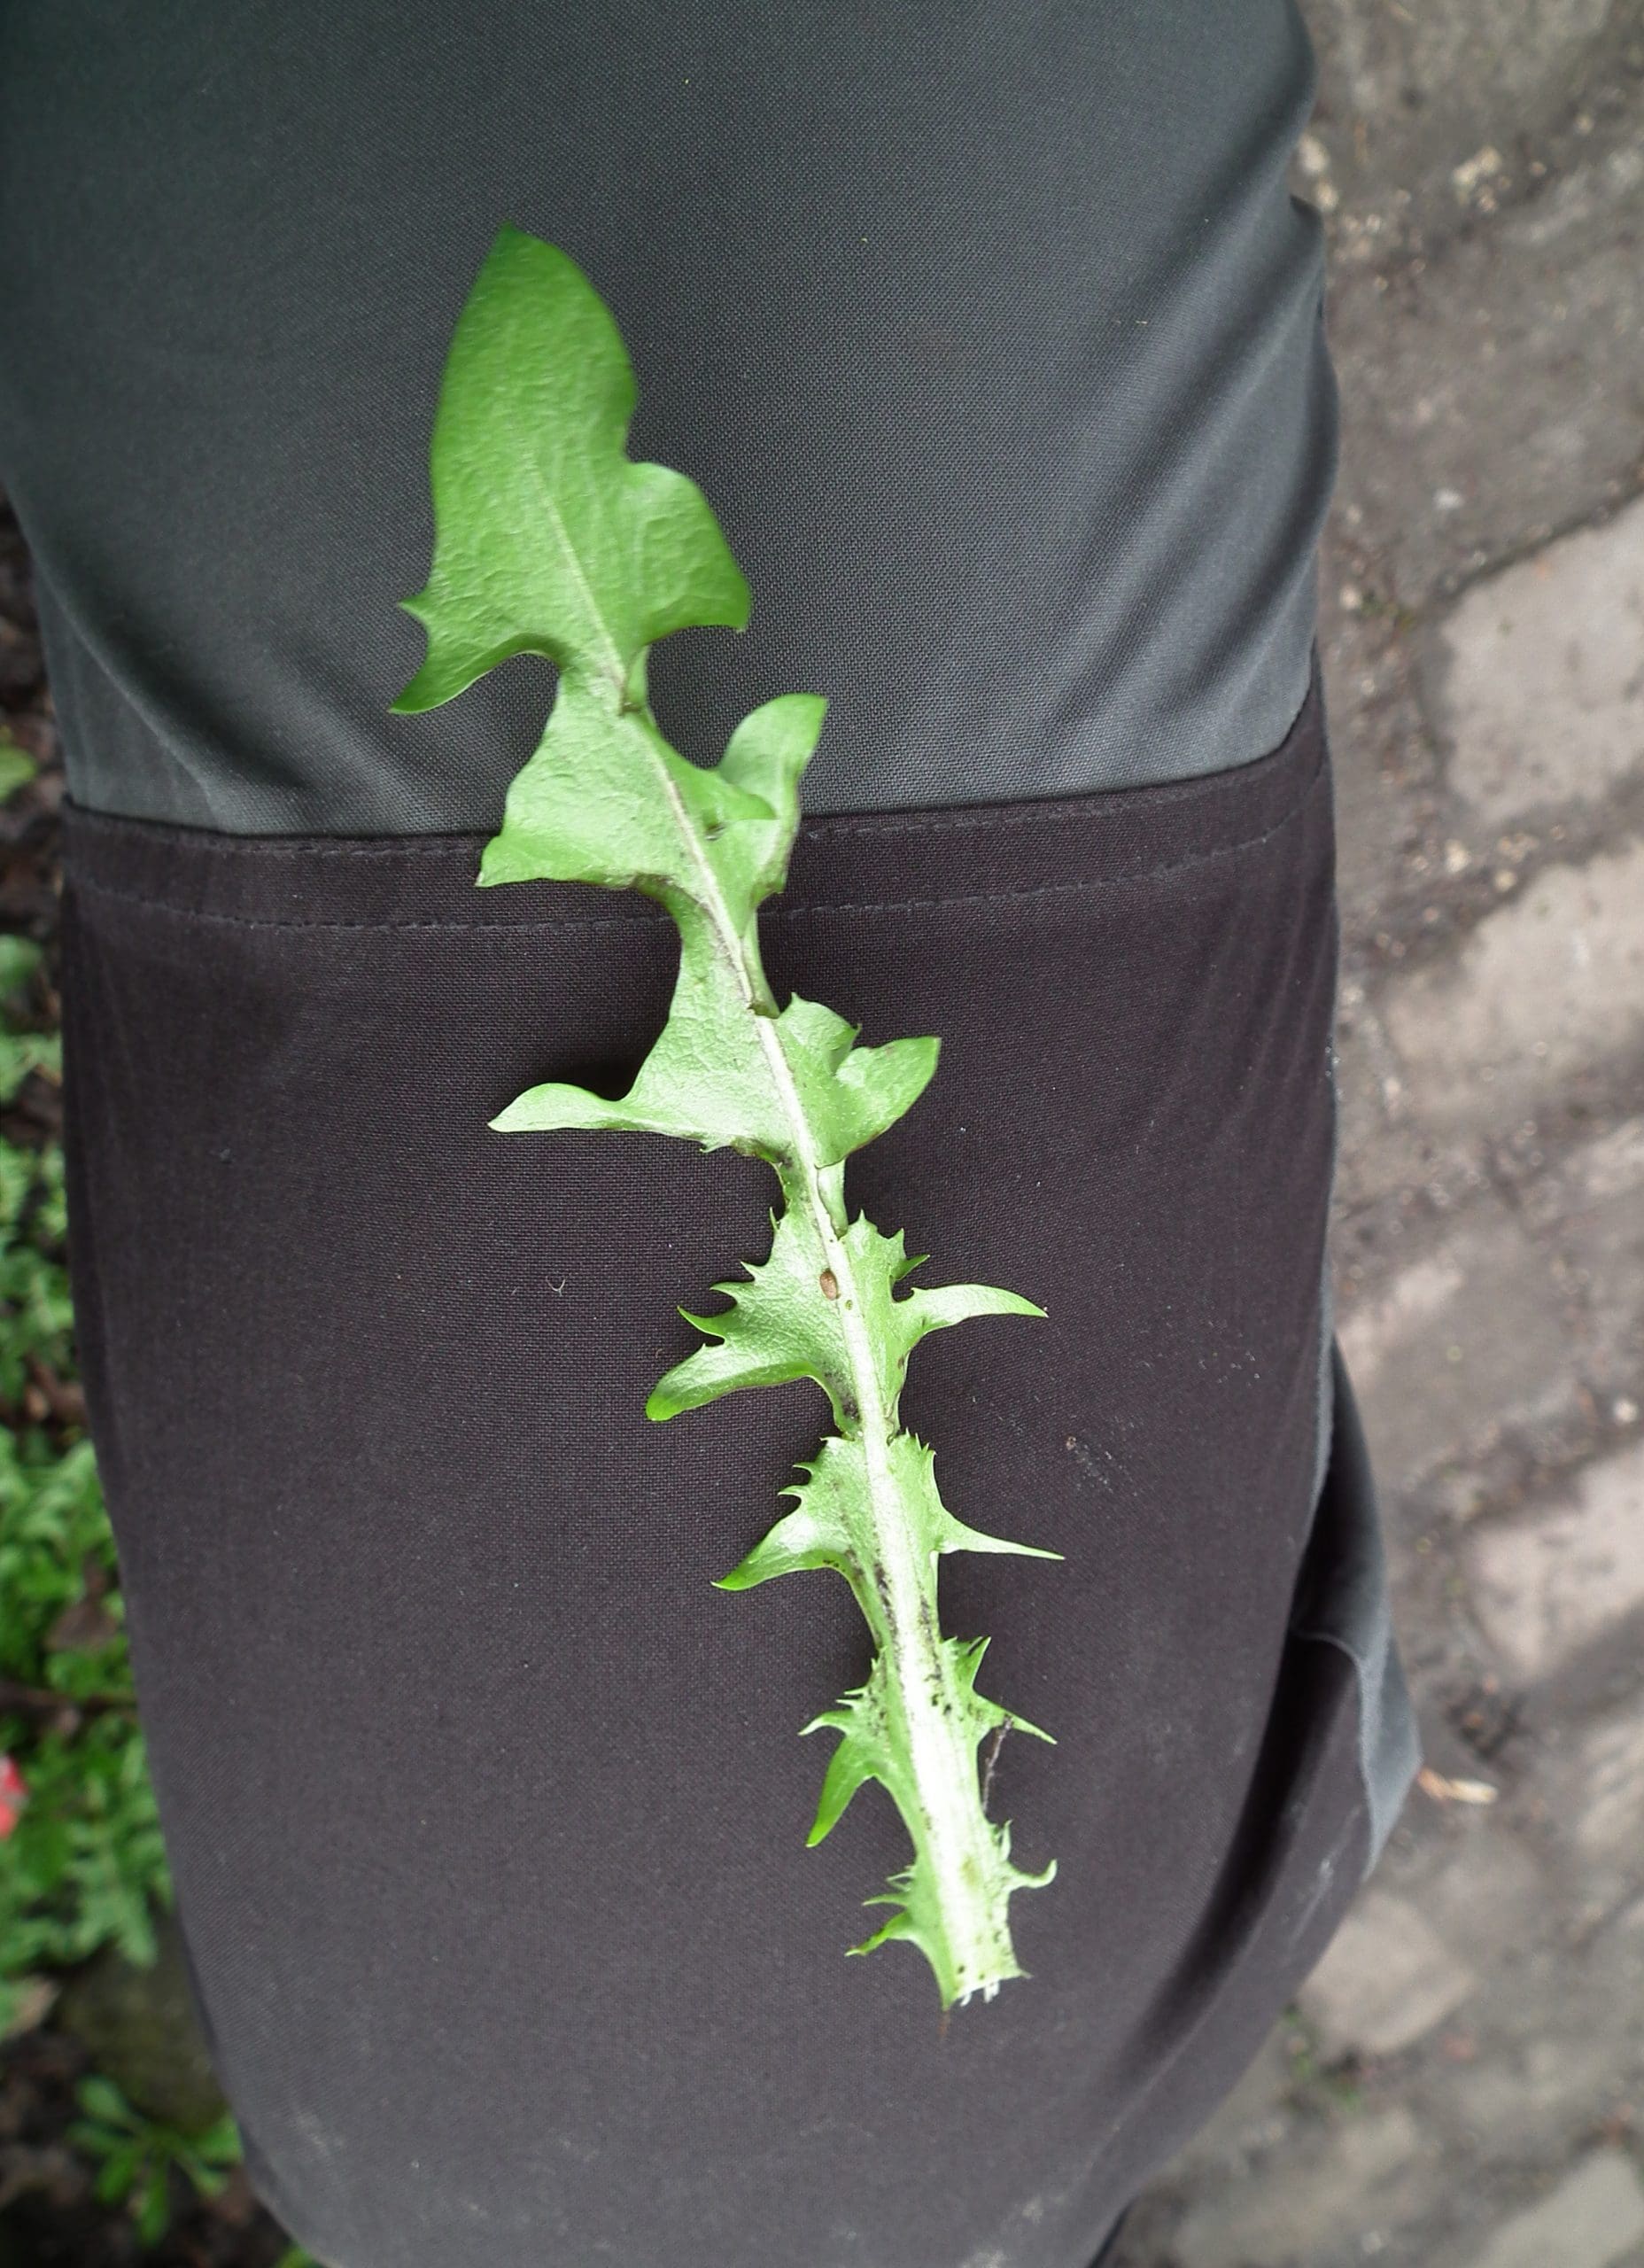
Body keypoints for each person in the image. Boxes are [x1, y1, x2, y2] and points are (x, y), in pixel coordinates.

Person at [0, 5, 1418, 2264]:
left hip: (1032, 749)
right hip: (270, 829)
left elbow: (1347, 1663)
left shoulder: (1124, 2080)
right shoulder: (354, 2174)